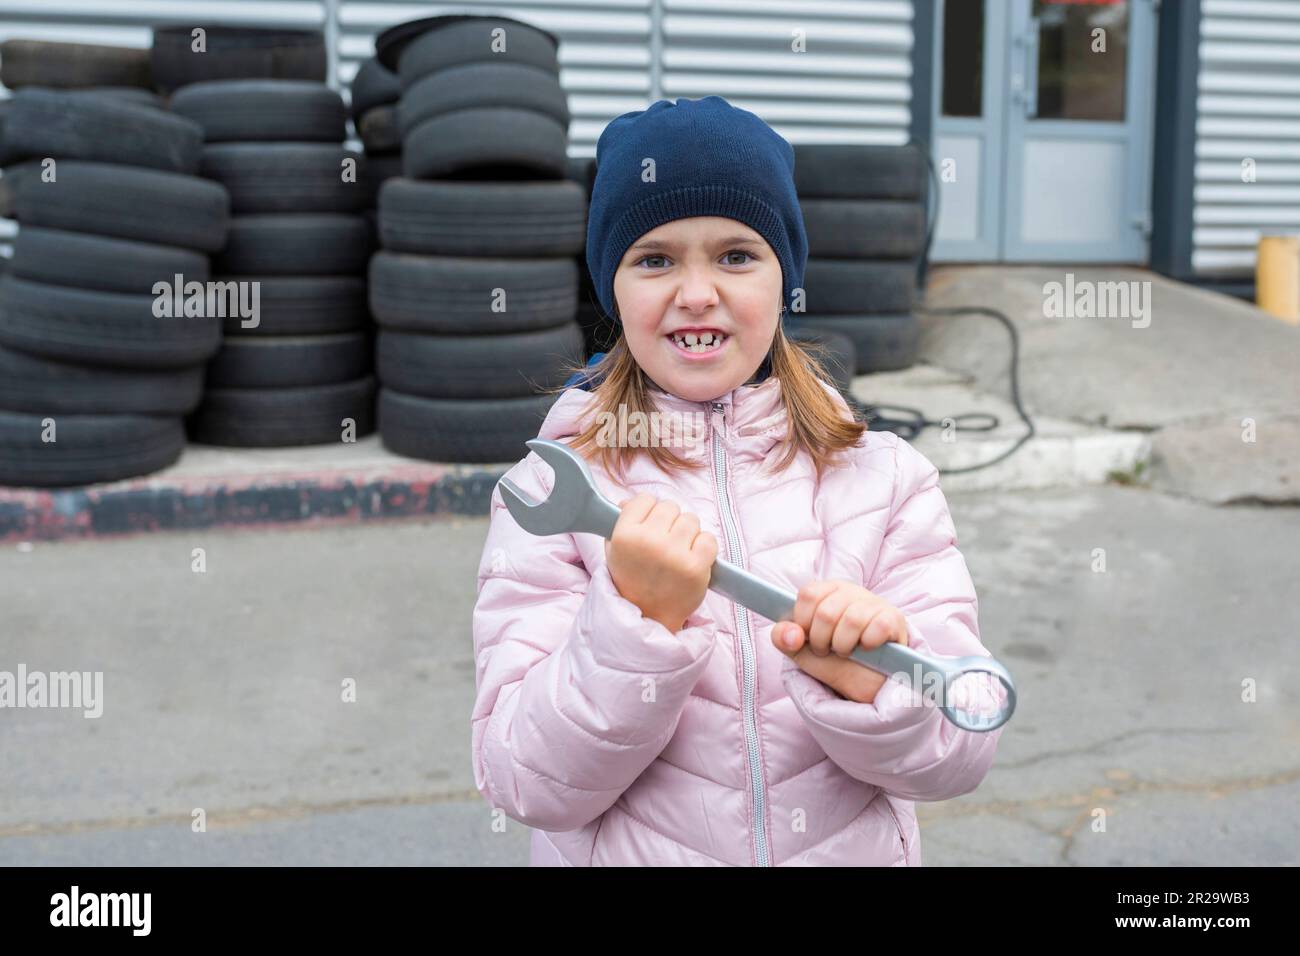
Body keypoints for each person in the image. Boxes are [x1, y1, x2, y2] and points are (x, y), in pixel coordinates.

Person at [470, 95, 1005, 866]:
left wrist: (874, 683)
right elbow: (526, 783)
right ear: (611, 287)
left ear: (783, 277)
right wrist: (636, 623)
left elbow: (962, 749)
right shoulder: (552, 499)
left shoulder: (885, 480)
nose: (696, 292)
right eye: (654, 258)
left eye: (735, 255)